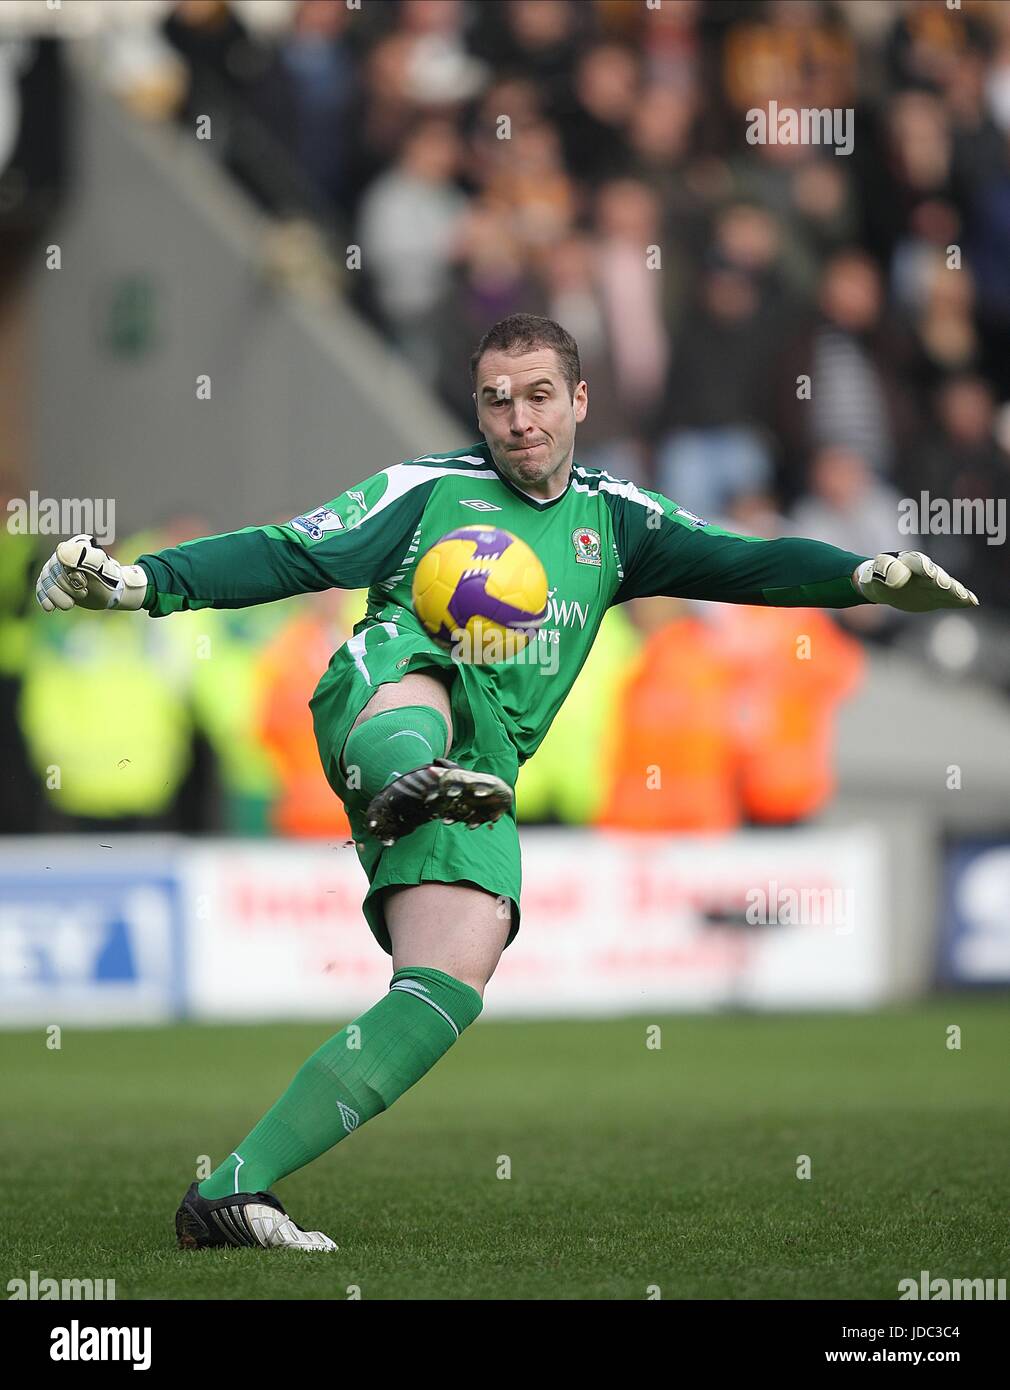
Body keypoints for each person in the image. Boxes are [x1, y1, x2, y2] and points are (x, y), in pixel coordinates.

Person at [35, 313, 978, 1252]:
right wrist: (136, 585)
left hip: (485, 769)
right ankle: (410, 774)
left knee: (449, 979)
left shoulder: (617, 519)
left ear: (578, 400)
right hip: (389, 687)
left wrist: (866, 576)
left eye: (537, 397)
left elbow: (747, 561)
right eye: (496, 401)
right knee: (425, 668)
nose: (518, 419)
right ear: (477, 411)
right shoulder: (425, 491)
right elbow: (289, 551)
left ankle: (233, 1192)